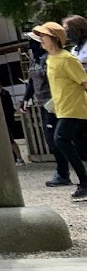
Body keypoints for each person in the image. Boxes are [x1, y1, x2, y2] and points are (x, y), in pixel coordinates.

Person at [32, 21, 87, 202]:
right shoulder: (50, 59)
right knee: (81, 148)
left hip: (76, 108)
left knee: (61, 140)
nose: (40, 39)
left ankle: (85, 184)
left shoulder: (67, 59)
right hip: (63, 109)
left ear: (54, 39)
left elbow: (84, 82)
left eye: (44, 36)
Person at [22, 36, 71, 187]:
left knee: (61, 139)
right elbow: (32, 80)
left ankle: (66, 173)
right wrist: (26, 98)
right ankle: (63, 172)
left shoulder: (50, 58)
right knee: (52, 140)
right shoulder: (34, 60)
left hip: (56, 103)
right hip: (43, 104)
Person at [0, 83, 24, 165]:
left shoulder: (3, 94)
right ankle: (17, 158)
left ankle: (19, 158)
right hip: (8, 117)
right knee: (9, 140)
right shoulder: (5, 92)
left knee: (9, 140)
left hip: (5, 118)